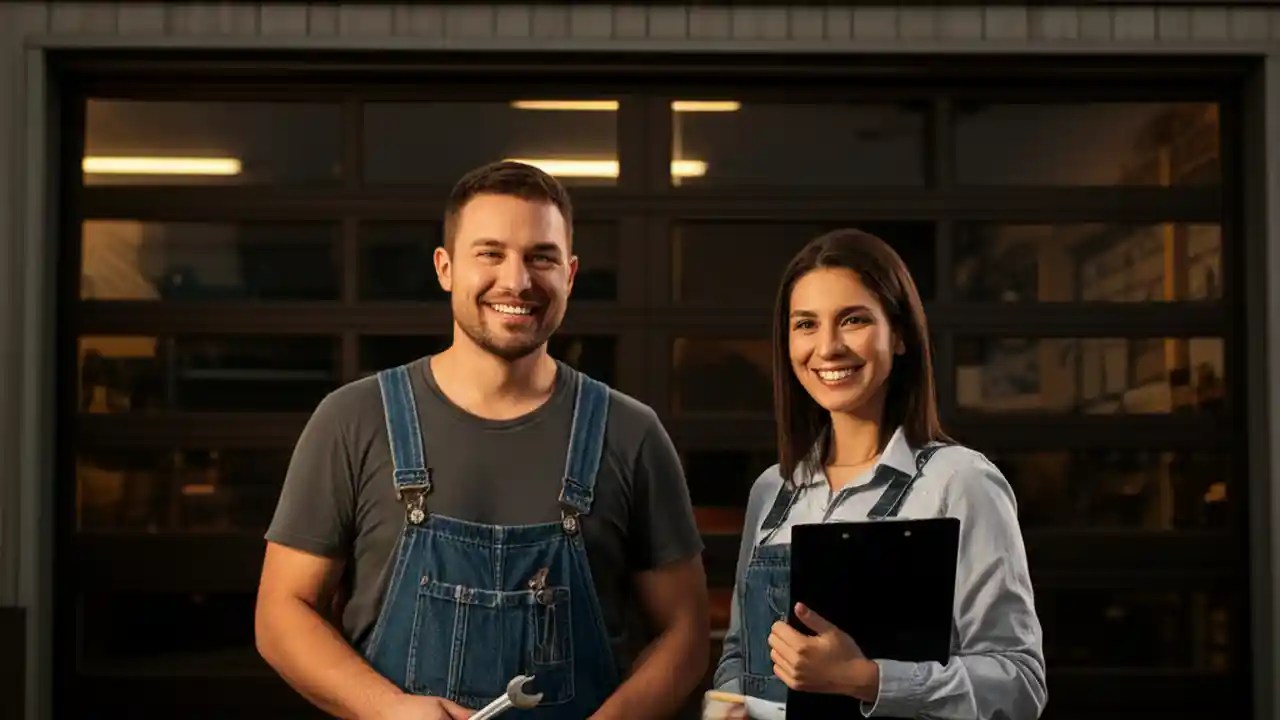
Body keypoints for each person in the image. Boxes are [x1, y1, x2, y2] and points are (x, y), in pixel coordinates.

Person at [255, 161, 709, 720]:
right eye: (489, 253)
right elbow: (281, 612)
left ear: (569, 274)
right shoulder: (353, 420)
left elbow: (686, 634)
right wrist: (389, 709)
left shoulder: (631, 433)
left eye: (540, 257)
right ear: (446, 268)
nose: (516, 281)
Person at [710, 228, 1047, 719]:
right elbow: (739, 655)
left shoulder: (961, 483)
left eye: (853, 320)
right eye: (806, 324)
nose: (827, 347)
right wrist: (727, 708)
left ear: (902, 335)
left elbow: (1020, 684)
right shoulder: (773, 489)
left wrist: (863, 679)